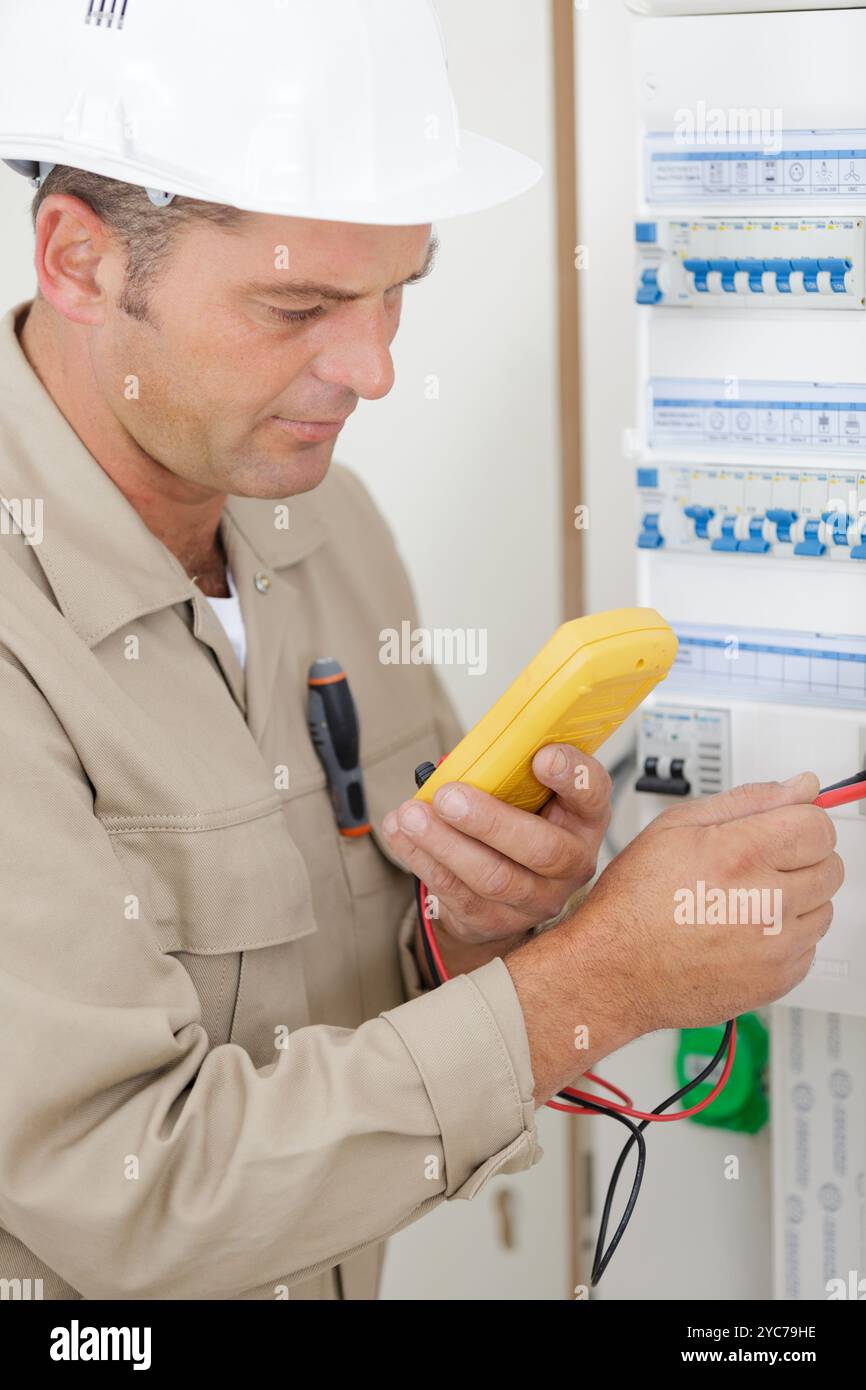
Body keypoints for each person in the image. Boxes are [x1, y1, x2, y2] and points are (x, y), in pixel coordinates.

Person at [0, 0, 842, 1301]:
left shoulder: (318, 517)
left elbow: (362, 1004)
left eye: (401, 290)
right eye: (300, 305)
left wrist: (483, 922)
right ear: (80, 260)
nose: (375, 367)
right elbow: (135, 1190)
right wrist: (596, 981)